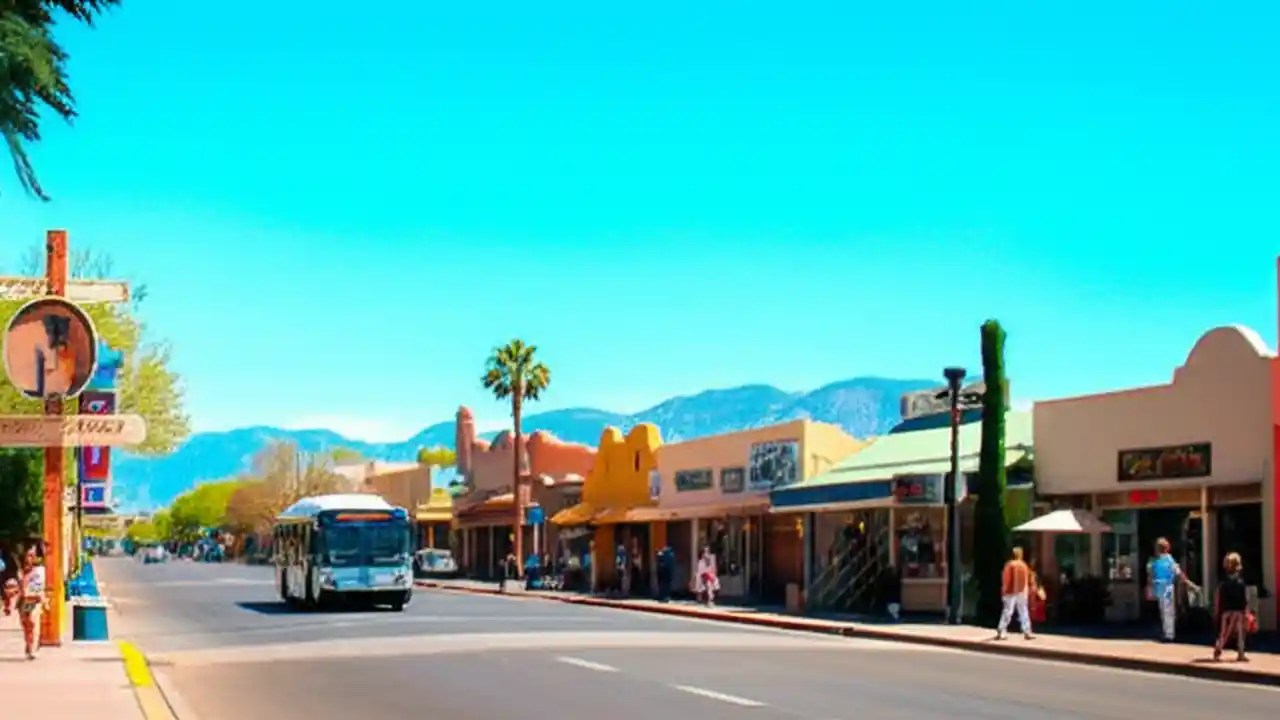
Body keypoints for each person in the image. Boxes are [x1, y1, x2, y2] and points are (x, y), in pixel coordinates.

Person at [1146, 537, 1198, 642]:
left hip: (1160, 585)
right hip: (1167, 586)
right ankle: (1169, 633)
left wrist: (1150, 586)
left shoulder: (1157, 560)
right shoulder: (1168, 559)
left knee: (1164, 610)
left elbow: (1151, 575)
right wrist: (1189, 583)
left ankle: (1168, 633)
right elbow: (1178, 573)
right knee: (1167, 610)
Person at [1212, 552, 1249, 662]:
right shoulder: (1240, 582)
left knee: (1224, 632)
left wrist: (1217, 610)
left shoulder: (1223, 582)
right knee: (1240, 633)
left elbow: (1219, 597)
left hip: (1226, 611)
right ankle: (1241, 653)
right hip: (1238, 611)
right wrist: (1246, 611)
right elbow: (1244, 599)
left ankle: (1219, 648)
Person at [996, 546, 1035, 640]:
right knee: (1023, 611)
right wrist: (1029, 589)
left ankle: (1002, 630)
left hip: (1011, 591)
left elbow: (1005, 579)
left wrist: (1004, 590)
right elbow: (1029, 579)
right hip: (1021, 591)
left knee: (1008, 611)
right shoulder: (1023, 565)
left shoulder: (1009, 565)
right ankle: (1027, 631)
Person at [17, 546, 46, 660]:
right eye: (28, 555)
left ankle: (33, 648)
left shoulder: (40, 570)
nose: (30, 558)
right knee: (26, 625)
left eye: (32, 555)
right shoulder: (22, 571)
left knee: (33, 623)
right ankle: (29, 645)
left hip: (34, 600)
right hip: (24, 601)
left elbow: (42, 585)